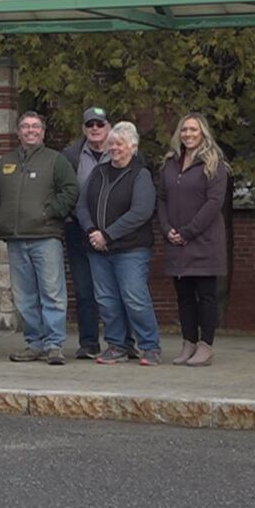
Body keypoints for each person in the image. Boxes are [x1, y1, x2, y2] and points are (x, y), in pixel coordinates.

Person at [0, 112, 80, 365]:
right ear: (18, 132)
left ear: (43, 132)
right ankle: (34, 344)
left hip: (45, 237)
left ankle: (54, 345)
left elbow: (71, 190)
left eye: (35, 126)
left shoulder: (55, 160)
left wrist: (50, 213)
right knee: (25, 296)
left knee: (52, 292)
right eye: (25, 127)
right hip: (15, 239)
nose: (30, 130)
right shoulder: (5, 162)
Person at [85, 122, 162, 364]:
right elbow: (81, 204)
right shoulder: (98, 172)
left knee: (135, 297)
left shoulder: (141, 175)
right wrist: (91, 230)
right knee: (106, 300)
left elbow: (141, 211)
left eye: (120, 144)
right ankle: (117, 345)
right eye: (112, 143)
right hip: (98, 250)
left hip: (131, 249)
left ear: (133, 147)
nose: (114, 148)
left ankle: (150, 347)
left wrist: (107, 234)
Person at [159, 113, 229, 366]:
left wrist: (188, 231)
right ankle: (188, 341)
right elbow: (163, 199)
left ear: (203, 134)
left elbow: (213, 204)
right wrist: (168, 229)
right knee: (184, 296)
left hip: (204, 242)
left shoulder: (214, 163)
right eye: (184, 130)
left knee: (206, 295)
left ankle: (205, 344)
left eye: (193, 130)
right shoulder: (170, 163)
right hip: (177, 243)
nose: (188, 134)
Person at [62, 109, 115, 359]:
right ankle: (89, 342)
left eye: (100, 124)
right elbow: (66, 192)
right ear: (84, 129)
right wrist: (87, 226)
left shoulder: (121, 149)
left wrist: (107, 230)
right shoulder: (71, 155)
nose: (95, 128)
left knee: (117, 289)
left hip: (113, 232)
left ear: (109, 126)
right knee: (84, 290)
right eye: (90, 125)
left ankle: (122, 342)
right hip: (79, 230)